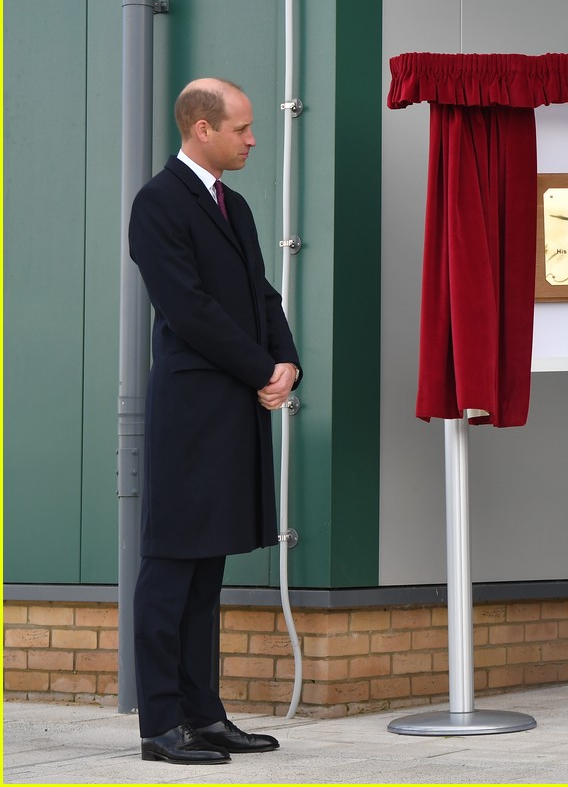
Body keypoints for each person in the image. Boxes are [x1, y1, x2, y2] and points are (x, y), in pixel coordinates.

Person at [128, 78, 301, 764]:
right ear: (203, 129)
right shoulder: (158, 203)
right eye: (242, 128)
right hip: (192, 412)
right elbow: (189, 307)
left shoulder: (236, 205)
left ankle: (205, 714)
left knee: (207, 574)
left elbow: (261, 291)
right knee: (171, 569)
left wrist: (285, 359)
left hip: (231, 405)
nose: (253, 138)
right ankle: (161, 725)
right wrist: (262, 368)